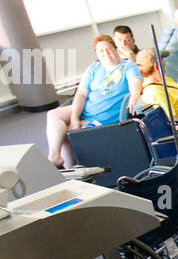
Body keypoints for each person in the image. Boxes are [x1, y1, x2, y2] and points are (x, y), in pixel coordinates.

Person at [45, 34, 143, 167]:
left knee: (64, 132)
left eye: (108, 49)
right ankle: (54, 156)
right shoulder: (94, 69)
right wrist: (74, 117)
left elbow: (135, 83)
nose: (105, 53)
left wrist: (135, 94)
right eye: (101, 51)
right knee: (53, 115)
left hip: (102, 119)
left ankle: (70, 168)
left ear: (115, 49)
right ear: (96, 53)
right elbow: (81, 95)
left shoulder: (128, 67)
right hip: (86, 110)